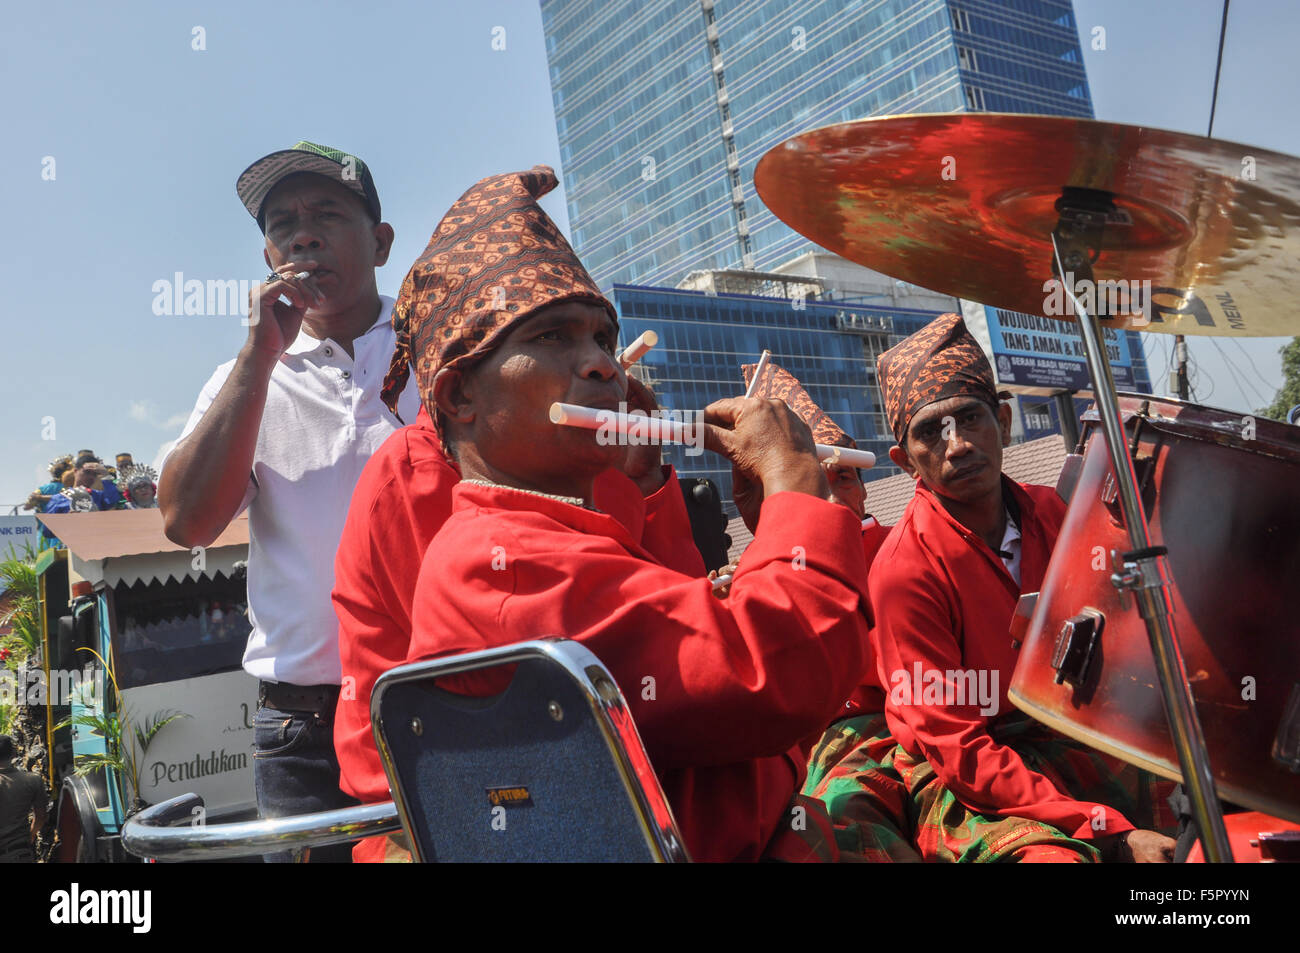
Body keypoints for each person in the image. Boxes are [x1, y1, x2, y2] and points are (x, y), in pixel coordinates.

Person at [399, 166, 871, 862]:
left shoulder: (546, 534)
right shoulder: (502, 563)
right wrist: (795, 485)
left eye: (600, 337)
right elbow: (783, 674)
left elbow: (698, 673)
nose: (601, 365)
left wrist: (770, 525)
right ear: (459, 395)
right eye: (554, 338)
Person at [159, 140, 418, 862]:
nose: (302, 234)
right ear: (269, 256)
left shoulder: (444, 348)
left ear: (381, 241)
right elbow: (187, 521)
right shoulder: (245, 376)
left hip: (446, 701)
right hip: (303, 733)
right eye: (281, 224)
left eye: (326, 214)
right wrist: (257, 359)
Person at [864, 313, 1175, 862]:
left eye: (970, 418)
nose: (957, 445)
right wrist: (1108, 831)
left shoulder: (1057, 514)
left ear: (1004, 422)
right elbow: (955, 746)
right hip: (965, 771)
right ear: (904, 460)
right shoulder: (902, 570)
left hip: (1065, 731)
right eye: (930, 432)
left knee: (1210, 799)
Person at [0, 735, 47, 863]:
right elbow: (41, 816)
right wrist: (31, 835)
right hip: (19, 854)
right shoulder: (33, 780)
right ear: (13, 753)